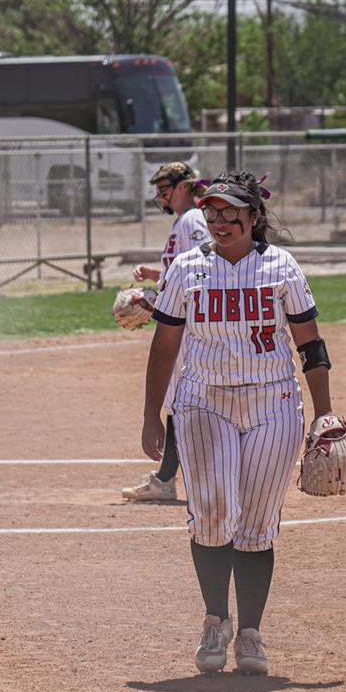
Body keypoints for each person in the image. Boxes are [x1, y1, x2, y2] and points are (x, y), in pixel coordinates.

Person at [140, 171, 336, 676]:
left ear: (254, 217)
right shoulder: (188, 269)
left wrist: (325, 412)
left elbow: (310, 344)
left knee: (255, 526)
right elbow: (164, 346)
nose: (221, 223)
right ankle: (214, 621)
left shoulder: (280, 267)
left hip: (273, 404)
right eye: (212, 214)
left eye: (232, 214)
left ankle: (250, 634)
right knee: (212, 513)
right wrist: (151, 414)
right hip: (203, 401)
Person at [122, 162, 208, 503]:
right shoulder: (185, 220)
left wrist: (158, 299)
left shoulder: (193, 220)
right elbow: (182, 270)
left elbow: (204, 265)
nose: (160, 196)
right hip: (183, 318)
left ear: (184, 186)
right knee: (177, 398)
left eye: (165, 189)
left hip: (188, 324)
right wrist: (156, 277)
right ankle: (167, 477)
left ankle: (174, 477)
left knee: (181, 399)